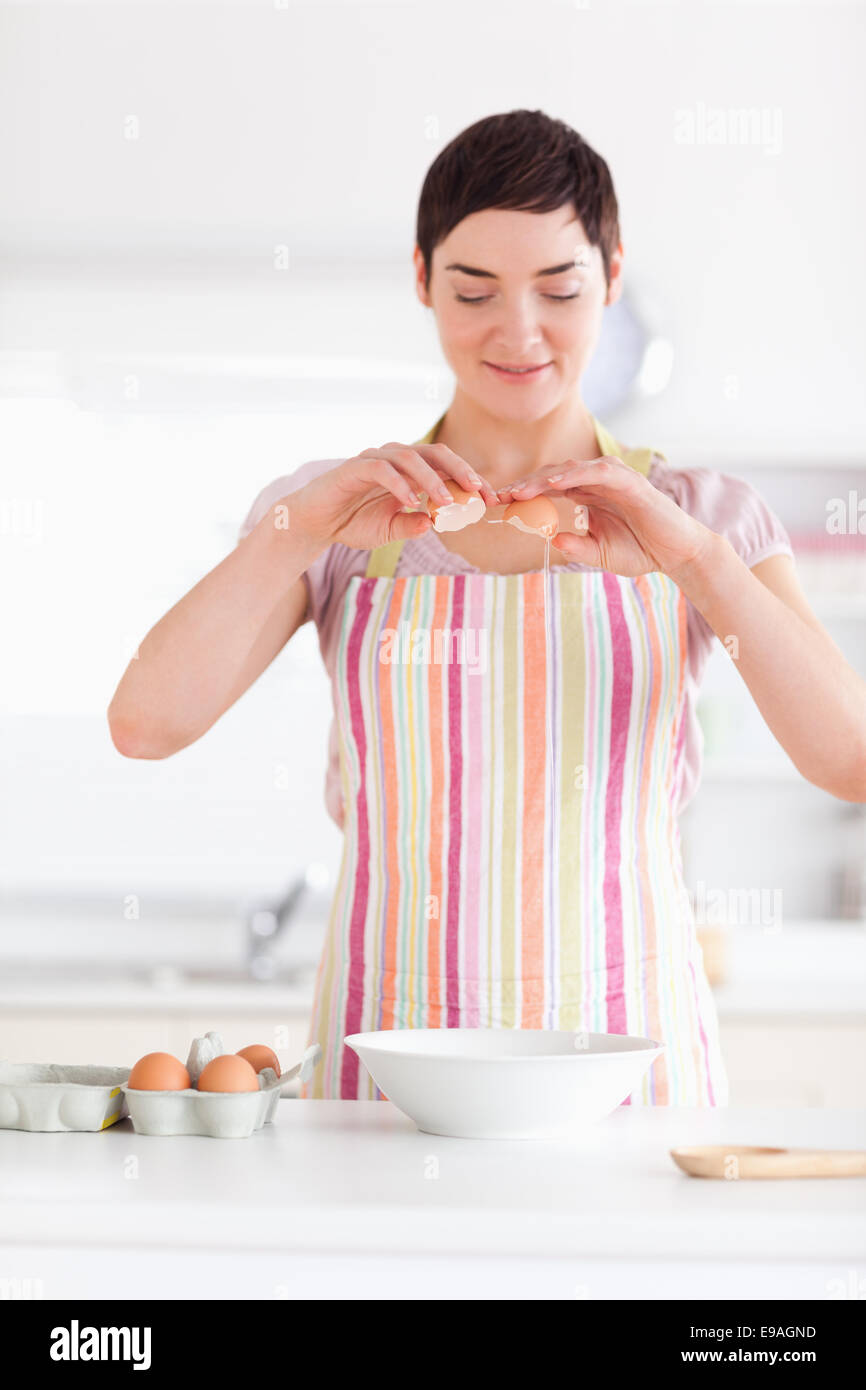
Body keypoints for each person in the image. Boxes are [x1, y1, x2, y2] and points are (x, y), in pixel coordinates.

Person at [108, 109, 866, 1105]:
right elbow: (146, 723)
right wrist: (295, 528)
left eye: (559, 288)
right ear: (420, 278)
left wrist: (689, 561)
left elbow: (846, 760)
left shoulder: (701, 517)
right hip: (386, 1078)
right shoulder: (332, 520)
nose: (518, 332)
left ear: (612, 277)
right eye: (473, 290)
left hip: (627, 1072)